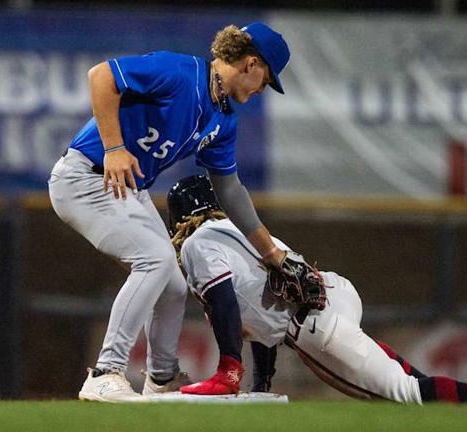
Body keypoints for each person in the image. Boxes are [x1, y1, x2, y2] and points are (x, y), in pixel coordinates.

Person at [48, 23, 313, 401]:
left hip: (125, 187)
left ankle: (162, 378)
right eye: (265, 81)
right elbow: (101, 75)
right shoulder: (181, 72)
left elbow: (230, 190)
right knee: (154, 261)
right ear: (251, 64)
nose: (259, 92)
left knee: (172, 282)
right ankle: (106, 371)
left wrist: (271, 253)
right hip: (83, 178)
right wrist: (113, 147)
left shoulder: (223, 118)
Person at [167, 175, 467, 406]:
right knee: (407, 384)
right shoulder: (238, 230)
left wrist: (229, 371)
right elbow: (261, 301)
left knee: (405, 396)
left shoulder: (198, 243)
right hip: (334, 293)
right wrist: (261, 384)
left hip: (314, 326)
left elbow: (225, 306)